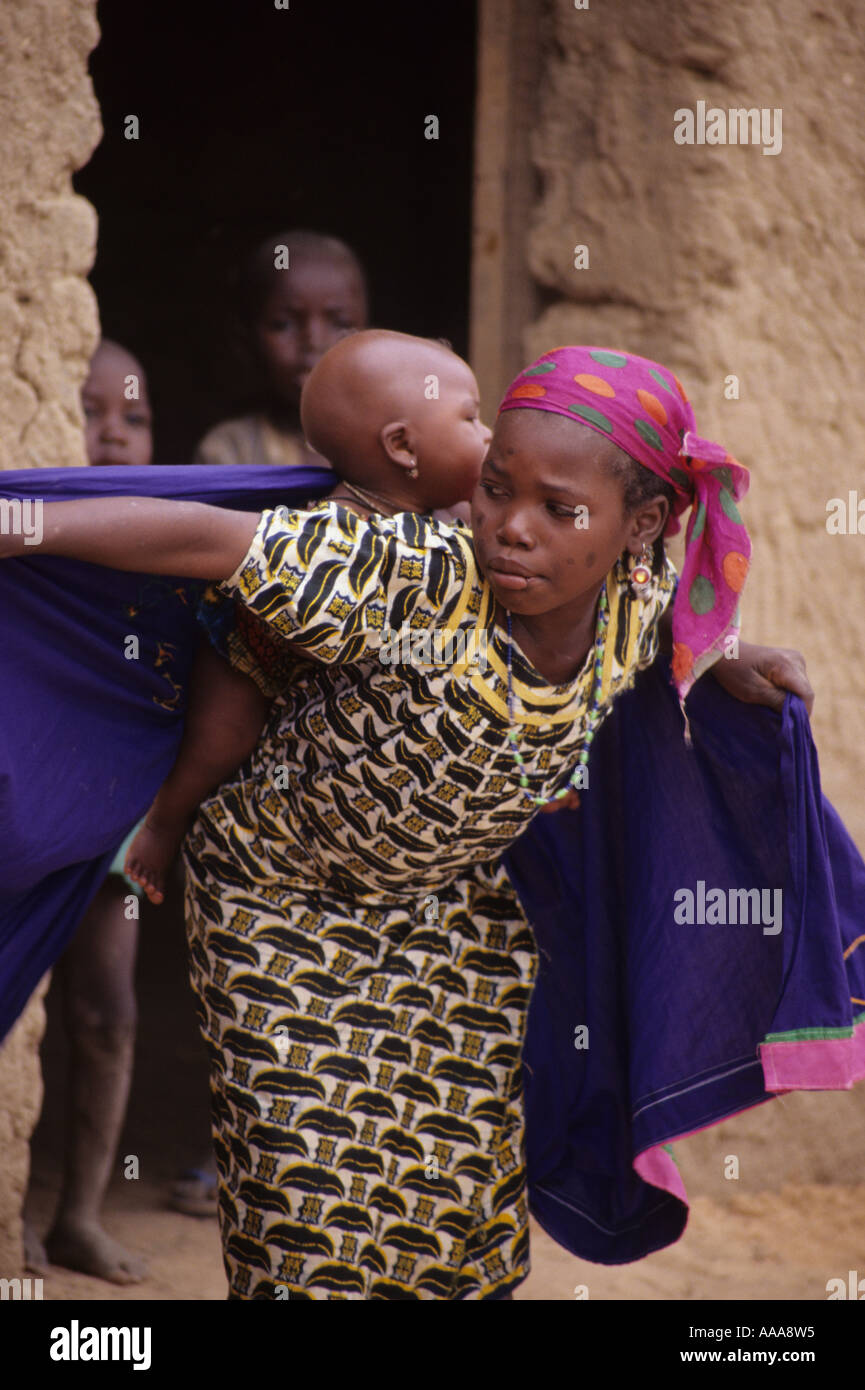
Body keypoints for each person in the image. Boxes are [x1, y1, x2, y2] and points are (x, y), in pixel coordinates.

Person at [5, 343, 814, 1299]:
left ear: (640, 525)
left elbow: (659, 628)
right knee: (309, 1217)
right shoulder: (415, 573)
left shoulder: (637, 599)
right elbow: (202, 540)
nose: (510, 529)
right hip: (284, 911)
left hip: (455, 922)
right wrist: (24, 523)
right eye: (495, 487)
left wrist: (723, 653)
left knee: (454, 1214)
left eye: (558, 510)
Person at [125, 330, 487, 907]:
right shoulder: (330, 532)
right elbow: (190, 536)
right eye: (472, 419)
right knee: (222, 741)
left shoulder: (456, 516)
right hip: (258, 649)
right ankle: (164, 822)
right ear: (402, 446)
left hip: (358, 762)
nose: (488, 436)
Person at [25, 339, 152, 1285]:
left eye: (135, 416)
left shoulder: (164, 536)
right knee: (20, 1004)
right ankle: (17, 1207)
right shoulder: (32, 538)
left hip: (114, 829)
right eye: (90, 407)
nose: (112, 431)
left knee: (105, 1011)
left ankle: (80, 1213)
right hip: (27, 823)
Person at [192, 229, 369, 471]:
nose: (314, 342)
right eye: (283, 324)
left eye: (340, 323)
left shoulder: (391, 444)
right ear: (246, 339)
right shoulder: (230, 449)